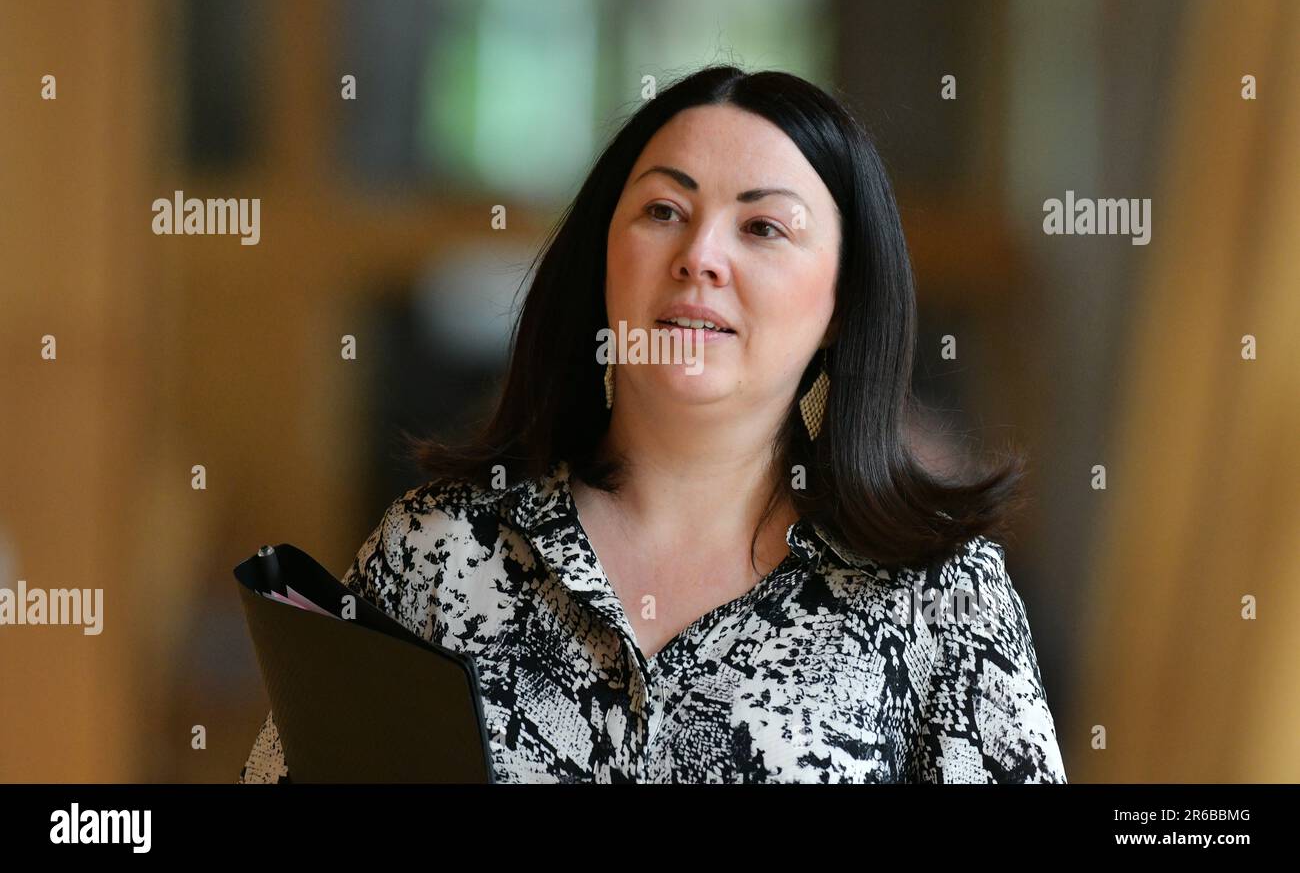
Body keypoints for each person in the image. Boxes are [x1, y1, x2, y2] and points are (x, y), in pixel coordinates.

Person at [239, 65, 1067, 783]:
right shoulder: (439, 551)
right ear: (605, 258)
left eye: (763, 227)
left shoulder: (937, 595)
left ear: (841, 307)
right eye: (664, 210)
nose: (701, 254)